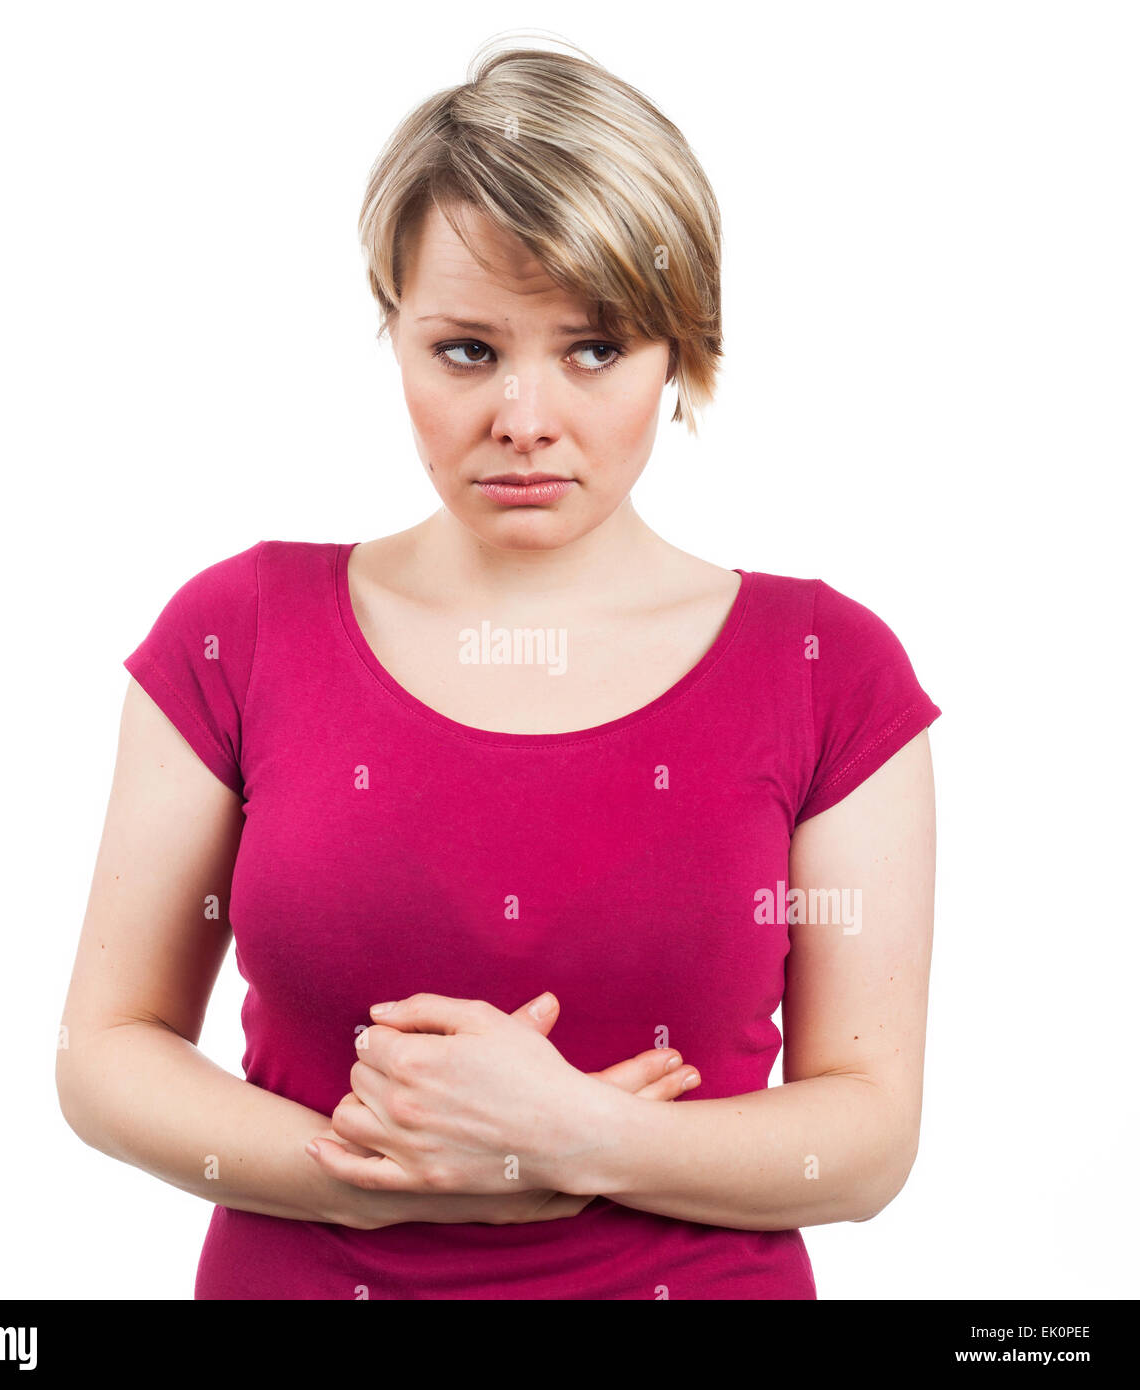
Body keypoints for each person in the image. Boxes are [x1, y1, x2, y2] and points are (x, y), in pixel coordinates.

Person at [56, 37, 940, 1300]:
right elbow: (105, 1047)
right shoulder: (236, 630)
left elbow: (865, 1140)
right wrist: (389, 1167)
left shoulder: (829, 670)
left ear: (681, 350)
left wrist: (580, 1138)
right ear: (396, 335)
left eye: (593, 349)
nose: (526, 416)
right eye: (468, 349)